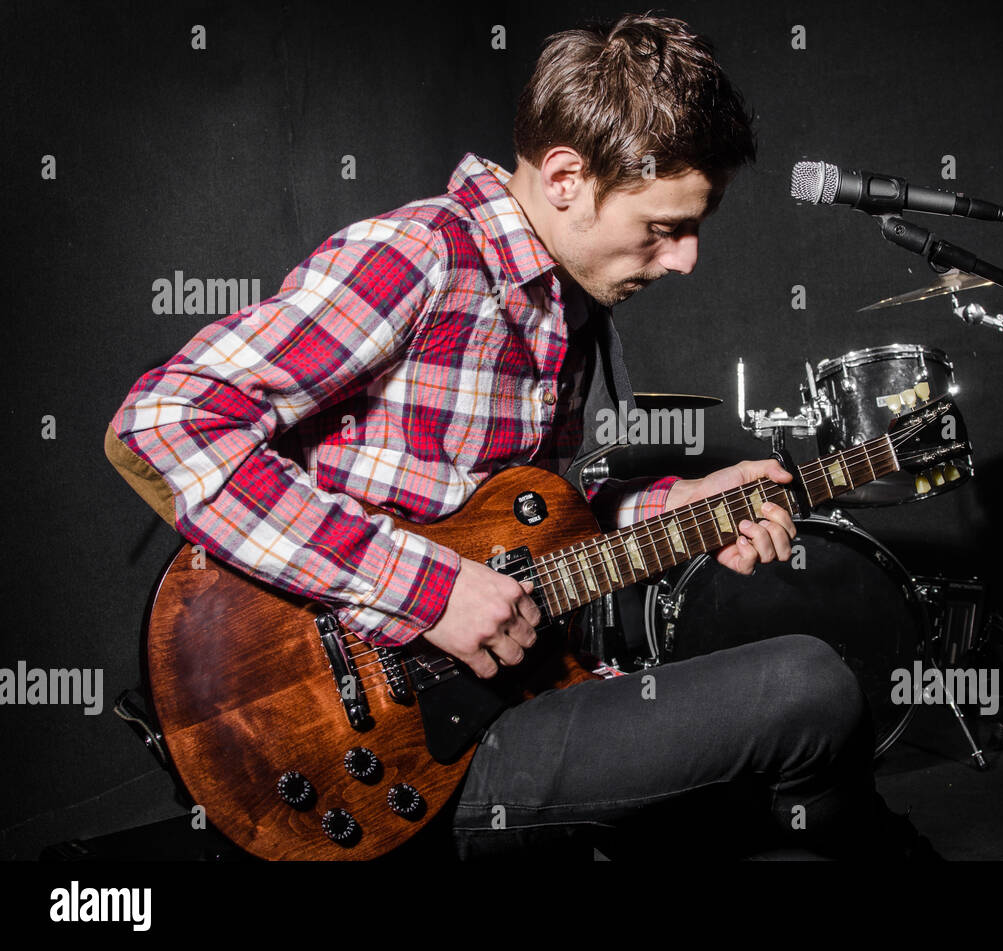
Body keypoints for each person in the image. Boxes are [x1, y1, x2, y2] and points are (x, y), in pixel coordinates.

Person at [105, 12, 935, 861]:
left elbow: (525, 523)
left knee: (785, 791)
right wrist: (424, 589)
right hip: (379, 744)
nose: (686, 259)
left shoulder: (566, 302)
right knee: (809, 685)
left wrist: (681, 503)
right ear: (568, 176)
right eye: (665, 226)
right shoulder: (419, 257)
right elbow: (164, 424)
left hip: (511, 694)